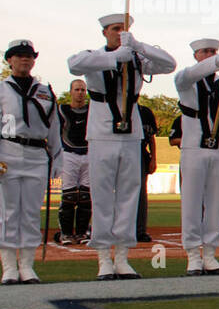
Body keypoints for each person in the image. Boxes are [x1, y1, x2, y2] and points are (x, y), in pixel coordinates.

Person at [68, 14, 176, 280]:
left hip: (131, 132)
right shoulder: (94, 57)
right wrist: (115, 57)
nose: (120, 33)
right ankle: (104, 257)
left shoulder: (137, 58)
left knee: (129, 195)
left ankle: (124, 257)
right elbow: (74, 65)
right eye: (115, 29)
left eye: (125, 29)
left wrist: (138, 46)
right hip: (102, 131)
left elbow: (169, 64)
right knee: (103, 195)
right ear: (104, 33)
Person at [0, 39, 62, 284]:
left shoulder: (45, 90)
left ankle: (27, 266)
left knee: (29, 213)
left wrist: (57, 156)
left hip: (37, 155)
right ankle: (8, 268)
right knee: (7, 213)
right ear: (9, 60)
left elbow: (54, 126)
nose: (25, 59)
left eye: (29, 55)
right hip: (8, 152)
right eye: (19, 55)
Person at [174, 39, 219, 274]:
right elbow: (193, 74)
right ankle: (193, 255)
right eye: (205, 51)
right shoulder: (185, 78)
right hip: (194, 146)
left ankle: (210, 254)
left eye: (213, 51)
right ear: (196, 55)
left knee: (216, 201)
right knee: (192, 201)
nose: (209, 54)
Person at [55, 79, 91, 244]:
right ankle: (66, 232)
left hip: (89, 153)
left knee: (85, 195)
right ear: (70, 91)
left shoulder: (92, 110)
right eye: (77, 89)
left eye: (83, 90)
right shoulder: (62, 110)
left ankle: (83, 232)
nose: (80, 93)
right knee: (69, 195)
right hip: (68, 153)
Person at [135, 103, 158, 243]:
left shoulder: (145, 112)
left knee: (141, 194)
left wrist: (153, 159)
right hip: (119, 152)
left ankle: (140, 231)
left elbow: (151, 138)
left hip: (140, 155)